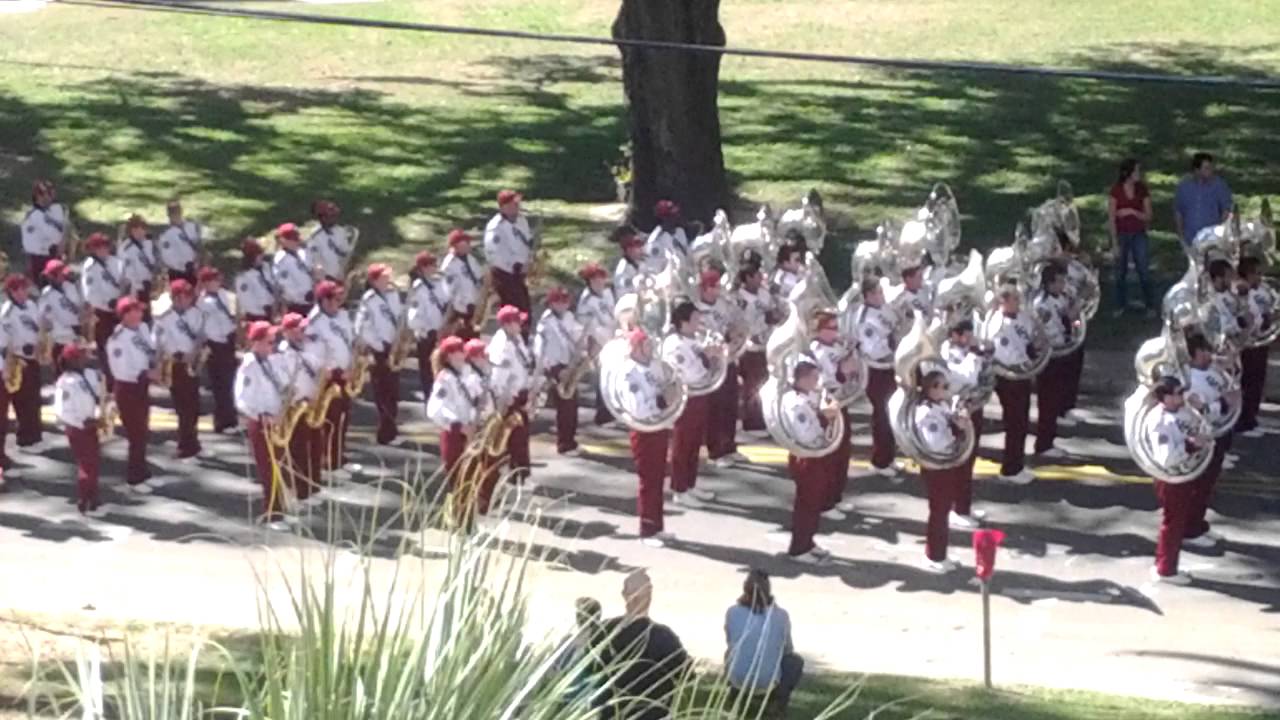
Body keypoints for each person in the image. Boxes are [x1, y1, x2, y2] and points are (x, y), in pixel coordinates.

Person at [596, 570, 689, 720]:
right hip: (654, 713)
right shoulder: (665, 637)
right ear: (650, 597)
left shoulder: (605, 631)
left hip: (612, 712)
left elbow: (591, 669)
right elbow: (686, 674)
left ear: (624, 594)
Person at [234, 320, 292, 531]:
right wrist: (261, 416)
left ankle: (281, 508)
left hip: (277, 418)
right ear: (256, 343)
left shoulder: (269, 361)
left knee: (279, 463)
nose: (272, 344)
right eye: (268, 341)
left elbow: (281, 383)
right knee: (269, 468)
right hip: (262, 422)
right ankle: (272, 513)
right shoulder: (249, 366)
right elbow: (241, 400)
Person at [781, 359, 841, 563]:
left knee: (814, 503)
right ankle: (799, 549)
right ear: (804, 379)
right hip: (807, 457)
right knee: (807, 504)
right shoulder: (796, 403)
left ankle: (808, 542)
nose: (818, 381)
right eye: (814, 377)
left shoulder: (806, 396)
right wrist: (827, 417)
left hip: (814, 455)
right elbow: (807, 434)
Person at [619, 329, 674, 546]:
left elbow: (663, 387)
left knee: (659, 477)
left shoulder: (651, 366)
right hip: (644, 429)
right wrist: (663, 402)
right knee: (649, 479)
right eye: (647, 345)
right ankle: (647, 529)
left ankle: (658, 526)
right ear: (636, 348)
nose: (651, 349)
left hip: (658, 426)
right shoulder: (629, 373)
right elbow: (637, 407)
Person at [1146, 376, 1202, 585]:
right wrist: (1191, 445)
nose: (1182, 397)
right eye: (1177, 393)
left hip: (1183, 472)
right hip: (1171, 476)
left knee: (1177, 519)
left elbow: (1195, 426)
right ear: (1166, 398)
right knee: (1173, 522)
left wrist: (1200, 410)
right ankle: (1166, 570)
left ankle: (1164, 562)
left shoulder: (1181, 410)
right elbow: (1166, 457)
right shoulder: (1159, 422)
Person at [916, 369, 973, 573]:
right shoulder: (926, 412)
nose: (942, 390)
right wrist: (957, 430)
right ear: (927, 388)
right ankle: (933, 556)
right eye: (937, 386)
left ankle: (940, 554)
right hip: (936, 466)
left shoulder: (940, 406)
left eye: (945, 386)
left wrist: (959, 421)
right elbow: (937, 443)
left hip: (945, 464)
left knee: (943, 508)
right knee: (939, 511)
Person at [662, 300, 718, 507]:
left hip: (700, 394)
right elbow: (692, 372)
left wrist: (712, 356)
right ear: (683, 322)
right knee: (683, 443)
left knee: (695, 443)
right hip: (686, 396)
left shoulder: (692, 340)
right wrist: (707, 357)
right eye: (695, 319)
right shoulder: (674, 344)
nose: (699, 323)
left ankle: (690, 484)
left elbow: (705, 369)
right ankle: (679, 488)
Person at [724, 570, 804, 715]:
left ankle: (735, 696)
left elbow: (730, 641)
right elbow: (787, 650)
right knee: (794, 661)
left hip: (738, 681)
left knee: (730, 653)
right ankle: (778, 703)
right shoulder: (781, 616)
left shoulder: (732, 612)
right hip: (767, 684)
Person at [1184, 332, 1235, 551]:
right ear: (1194, 354)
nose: (1209, 355)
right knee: (1200, 485)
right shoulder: (1191, 380)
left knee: (1208, 484)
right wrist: (1224, 403)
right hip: (1206, 436)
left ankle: (1199, 522)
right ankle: (1190, 529)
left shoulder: (1208, 371)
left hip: (1219, 432)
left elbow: (1227, 385)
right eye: (1204, 351)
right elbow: (1199, 412)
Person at [984, 283, 1037, 485]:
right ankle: (1010, 469)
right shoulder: (998, 324)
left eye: (1018, 298)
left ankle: (1017, 464)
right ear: (1003, 302)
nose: (1018, 302)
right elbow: (1004, 354)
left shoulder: (1022, 318)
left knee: (1022, 422)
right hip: (1009, 376)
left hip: (1022, 373)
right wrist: (1022, 366)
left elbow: (1029, 341)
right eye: (1014, 299)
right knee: (1015, 422)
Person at [694, 269, 746, 467]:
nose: (719, 290)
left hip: (729, 359)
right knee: (716, 407)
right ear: (706, 288)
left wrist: (736, 333)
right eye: (716, 286)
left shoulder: (724, 305)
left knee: (731, 405)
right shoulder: (697, 309)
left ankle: (729, 445)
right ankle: (716, 450)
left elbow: (736, 323)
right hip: (713, 365)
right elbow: (700, 337)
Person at [307, 280, 359, 476]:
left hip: (346, 372)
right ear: (325, 300)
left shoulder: (343, 316)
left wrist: (353, 363)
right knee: (331, 419)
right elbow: (315, 356)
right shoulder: (315, 323)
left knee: (344, 417)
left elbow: (350, 341)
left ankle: (339, 455)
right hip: (330, 377)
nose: (340, 301)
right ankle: (329, 459)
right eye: (336, 298)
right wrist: (336, 372)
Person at [107, 297, 158, 493]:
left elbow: (151, 349)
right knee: (136, 434)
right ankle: (134, 476)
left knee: (143, 431)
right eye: (133, 311)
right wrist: (145, 374)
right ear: (124, 315)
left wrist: (155, 363)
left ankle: (142, 470)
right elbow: (120, 369)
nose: (138, 314)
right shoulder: (117, 340)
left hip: (142, 386)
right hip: (128, 388)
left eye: (139, 310)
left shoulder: (143, 328)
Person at [809, 311, 857, 516]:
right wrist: (843, 370)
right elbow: (826, 380)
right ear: (820, 330)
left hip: (840, 401)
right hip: (826, 403)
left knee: (842, 451)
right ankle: (824, 502)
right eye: (832, 328)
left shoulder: (834, 347)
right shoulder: (817, 351)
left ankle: (836, 496)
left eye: (837, 327)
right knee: (829, 454)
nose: (837, 332)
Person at [941, 319, 988, 528]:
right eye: (965, 335)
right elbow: (965, 377)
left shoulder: (964, 351)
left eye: (970, 334)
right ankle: (957, 509)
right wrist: (975, 355)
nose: (970, 339)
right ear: (954, 335)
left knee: (970, 459)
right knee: (961, 459)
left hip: (972, 407)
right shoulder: (949, 354)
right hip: (958, 411)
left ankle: (964, 505)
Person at [855, 277, 902, 478]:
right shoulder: (865, 318)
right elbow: (872, 348)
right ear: (868, 296)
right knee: (882, 415)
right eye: (877, 293)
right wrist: (892, 348)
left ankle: (889, 456)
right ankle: (880, 461)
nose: (882, 296)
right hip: (876, 369)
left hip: (889, 367)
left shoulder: (882, 310)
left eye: (881, 292)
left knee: (891, 413)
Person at [152, 279, 204, 461]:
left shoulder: (195, 314)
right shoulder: (165, 319)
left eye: (189, 296)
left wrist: (195, 353)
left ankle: (193, 441)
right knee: (182, 406)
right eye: (182, 296)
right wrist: (157, 366)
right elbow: (159, 344)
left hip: (192, 361)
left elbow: (200, 336)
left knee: (194, 405)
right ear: (174, 298)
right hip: (175, 363)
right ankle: (185, 444)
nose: (186, 300)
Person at [355, 263, 404, 446]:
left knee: (394, 390)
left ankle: (391, 428)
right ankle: (385, 432)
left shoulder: (393, 295)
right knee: (382, 390)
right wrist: (378, 344)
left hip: (395, 345)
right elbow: (362, 327)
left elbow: (400, 317)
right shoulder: (369, 300)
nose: (387, 280)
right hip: (380, 350)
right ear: (373, 281)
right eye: (383, 278)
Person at [277, 312, 324, 503]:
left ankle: (312, 486)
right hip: (295, 406)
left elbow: (318, 369)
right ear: (287, 332)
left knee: (313, 447)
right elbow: (285, 382)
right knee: (298, 450)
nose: (303, 332)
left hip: (309, 403)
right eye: (298, 329)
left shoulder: (304, 348)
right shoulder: (283, 353)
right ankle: (300, 492)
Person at [1032, 262, 1076, 460]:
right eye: (1059, 281)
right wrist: (1069, 319)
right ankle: (1044, 444)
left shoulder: (1059, 299)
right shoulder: (1043, 305)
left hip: (1061, 355)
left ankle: (1049, 439)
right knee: (1048, 401)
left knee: (1055, 398)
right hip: (1051, 357)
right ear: (1048, 284)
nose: (1063, 285)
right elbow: (1050, 332)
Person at [54, 344, 104, 516]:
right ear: (72, 360)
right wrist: (82, 423)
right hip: (78, 427)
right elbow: (61, 411)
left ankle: (93, 496)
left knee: (94, 461)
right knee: (86, 463)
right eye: (81, 356)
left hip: (92, 423)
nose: (85, 358)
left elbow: (99, 394)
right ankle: (85, 498)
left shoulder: (90, 374)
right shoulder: (65, 383)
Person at [487, 305, 535, 483]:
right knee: (515, 439)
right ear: (507, 324)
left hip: (520, 393)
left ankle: (520, 473)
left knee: (521, 438)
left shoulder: (515, 339)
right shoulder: (502, 347)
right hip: (509, 398)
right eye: (517, 322)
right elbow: (498, 378)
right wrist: (505, 401)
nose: (521, 325)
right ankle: (516, 475)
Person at [536, 286, 584, 456]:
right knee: (565, 406)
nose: (563, 305)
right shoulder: (546, 322)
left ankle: (571, 439)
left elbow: (578, 334)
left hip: (570, 364)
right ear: (551, 304)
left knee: (572, 405)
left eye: (566, 301)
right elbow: (541, 350)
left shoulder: (569, 317)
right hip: (557, 367)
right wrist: (551, 370)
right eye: (559, 302)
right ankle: (564, 443)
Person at [426, 336, 477, 484]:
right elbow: (435, 409)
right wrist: (458, 426)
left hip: (470, 430)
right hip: (454, 435)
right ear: (448, 357)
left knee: (471, 477)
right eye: (457, 351)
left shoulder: (467, 373)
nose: (461, 354)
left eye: (462, 350)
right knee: (457, 478)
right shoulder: (444, 379)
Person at [2, 274, 44, 450]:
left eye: (25, 287)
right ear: (12, 292)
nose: (25, 291)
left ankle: (35, 434)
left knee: (34, 397)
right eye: (21, 288)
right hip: (18, 360)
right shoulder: (7, 313)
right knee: (22, 399)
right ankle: (25, 436)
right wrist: (18, 352)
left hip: (34, 356)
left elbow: (37, 327)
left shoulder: (31, 305)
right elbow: (4, 340)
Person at [734, 262, 777, 433]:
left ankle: (762, 416)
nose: (761, 278)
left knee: (764, 381)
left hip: (766, 343)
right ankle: (752, 419)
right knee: (751, 383)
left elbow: (773, 313)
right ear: (748, 278)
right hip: (749, 346)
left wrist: (773, 317)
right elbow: (739, 320)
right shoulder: (739, 298)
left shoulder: (765, 294)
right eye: (757, 275)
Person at [1108, 158, 1154, 316]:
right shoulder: (1116, 191)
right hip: (1122, 235)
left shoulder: (1142, 190)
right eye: (1136, 171)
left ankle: (1150, 305)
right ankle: (1120, 304)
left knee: (1143, 269)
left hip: (1138, 234)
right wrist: (1114, 243)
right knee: (1120, 271)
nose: (1138, 174)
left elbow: (1148, 216)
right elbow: (1112, 218)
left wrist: (1132, 212)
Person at [80, 232, 126, 385]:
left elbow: (124, 281)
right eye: (99, 247)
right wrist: (108, 304)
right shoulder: (90, 267)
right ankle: (110, 382)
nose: (103, 250)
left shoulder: (116, 262)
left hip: (120, 310)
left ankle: (122, 377)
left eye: (105, 246)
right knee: (105, 348)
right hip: (103, 312)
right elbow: (90, 294)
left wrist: (122, 299)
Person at [198, 266, 240, 434]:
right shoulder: (202, 303)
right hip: (215, 343)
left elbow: (232, 314)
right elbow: (205, 326)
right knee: (219, 384)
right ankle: (222, 421)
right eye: (212, 280)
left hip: (228, 340)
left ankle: (231, 418)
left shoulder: (224, 295)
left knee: (229, 382)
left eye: (217, 279)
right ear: (205, 283)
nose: (216, 282)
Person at [576, 260, 618, 426]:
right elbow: (588, 327)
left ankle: (612, 410)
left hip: (612, 338)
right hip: (599, 343)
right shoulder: (586, 302)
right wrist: (603, 343)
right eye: (595, 280)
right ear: (589, 282)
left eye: (601, 278)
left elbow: (613, 314)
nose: (599, 282)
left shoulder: (607, 293)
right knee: (603, 379)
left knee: (613, 376)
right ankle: (603, 415)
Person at [484, 189, 534, 314]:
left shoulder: (521, 221)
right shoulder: (495, 227)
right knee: (514, 309)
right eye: (514, 204)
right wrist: (513, 267)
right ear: (504, 207)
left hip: (520, 272)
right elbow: (493, 255)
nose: (518, 207)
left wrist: (529, 260)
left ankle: (522, 333)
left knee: (525, 309)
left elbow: (526, 242)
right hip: (505, 274)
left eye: (518, 204)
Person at [1236, 256, 1271, 436]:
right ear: (1246, 275)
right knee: (1246, 380)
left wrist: (1271, 318)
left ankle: (1251, 415)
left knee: (1258, 379)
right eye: (1255, 274)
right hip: (1246, 344)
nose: (1259, 278)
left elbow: (1271, 310)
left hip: (1261, 341)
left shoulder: (1264, 292)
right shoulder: (1239, 293)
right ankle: (1242, 418)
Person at [407, 250, 447, 401]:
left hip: (441, 332)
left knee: (442, 368)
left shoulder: (438, 283)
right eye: (431, 265)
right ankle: (430, 398)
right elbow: (414, 318)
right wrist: (426, 330)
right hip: (427, 335)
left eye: (434, 264)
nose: (435, 268)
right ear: (422, 268)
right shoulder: (418, 288)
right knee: (427, 370)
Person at [1175, 152, 1233, 247]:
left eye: (1211, 167)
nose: (1210, 171)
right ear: (1196, 170)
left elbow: (1226, 210)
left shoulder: (1219, 186)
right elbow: (1179, 212)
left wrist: (1219, 232)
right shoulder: (1184, 187)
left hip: (1212, 239)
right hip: (1190, 238)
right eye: (1206, 168)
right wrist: (1181, 236)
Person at [38, 260, 85, 375]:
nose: (62, 276)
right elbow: (46, 317)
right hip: (60, 336)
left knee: (79, 370)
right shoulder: (47, 294)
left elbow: (80, 306)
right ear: (51, 276)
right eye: (58, 274)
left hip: (75, 335)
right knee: (62, 372)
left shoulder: (71, 287)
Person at [22, 179, 71, 286]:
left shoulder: (52, 210)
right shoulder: (36, 215)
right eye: (47, 193)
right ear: (38, 196)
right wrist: (65, 234)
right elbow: (55, 238)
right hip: (41, 260)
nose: (51, 197)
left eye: (51, 193)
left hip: (51, 256)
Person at [440, 229, 484, 339]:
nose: (467, 248)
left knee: (474, 332)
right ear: (455, 247)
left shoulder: (470, 258)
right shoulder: (450, 265)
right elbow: (449, 290)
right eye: (463, 246)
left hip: (474, 301)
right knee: (461, 333)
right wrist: (463, 304)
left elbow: (478, 275)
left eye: (467, 245)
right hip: (460, 306)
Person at [272, 223, 317, 317]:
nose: (296, 241)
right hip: (296, 306)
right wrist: (304, 295)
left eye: (296, 238)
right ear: (283, 241)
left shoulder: (302, 253)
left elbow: (310, 270)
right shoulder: (281, 260)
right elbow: (286, 286)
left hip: (312, 300)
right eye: (292, 239)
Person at [306, 200, 354, 283]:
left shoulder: (340, 231)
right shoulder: (315, 237)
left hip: (341, 277)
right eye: (331, 216)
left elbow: (345, 253)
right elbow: (315, 263)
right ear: (322, 218)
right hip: (325, 280)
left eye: (335, 216)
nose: (335, 219)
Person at [156, 198, 202, 285]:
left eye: (177, 211)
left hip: (194, 269)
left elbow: (198, 245)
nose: (175, 215)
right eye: (172, 212)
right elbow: (167, 257)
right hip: (177, 273)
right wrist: (181, 266)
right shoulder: (165, 235)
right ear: (168, 215)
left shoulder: (192, 227)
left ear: (181, 211)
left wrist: (196, 262)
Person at [118, 214, 158, 313]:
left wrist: (155, 279)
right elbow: (128, 273)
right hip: (134, 289)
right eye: (139, 229)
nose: (142, 232)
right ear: (132, 230)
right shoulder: (125, 248)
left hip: (148, 285)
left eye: (144, 228)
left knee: (147, 316)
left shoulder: (148, 243)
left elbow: (152, 262)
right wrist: (138, 287)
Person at [234, 238, 275, 324]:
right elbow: (247, 301)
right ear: (251, 257)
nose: (262, 255)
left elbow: (272, 285)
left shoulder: (266, 267)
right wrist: (263, 312)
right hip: (257, 317)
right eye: (259, 254)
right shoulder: (243, 277)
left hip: (272, 311)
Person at [644, 200, 689, 273]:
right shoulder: (654, 241)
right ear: (664, 218)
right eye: (672, 216)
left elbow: (687, 256)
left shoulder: (680, 231)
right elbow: (655, 269)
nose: (677, 216)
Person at [613, 229, 646, 294]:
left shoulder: (640, 261)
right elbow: (627, 294)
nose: (641, 248)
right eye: (638, 246)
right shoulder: (622, 271)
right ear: (629, 250)